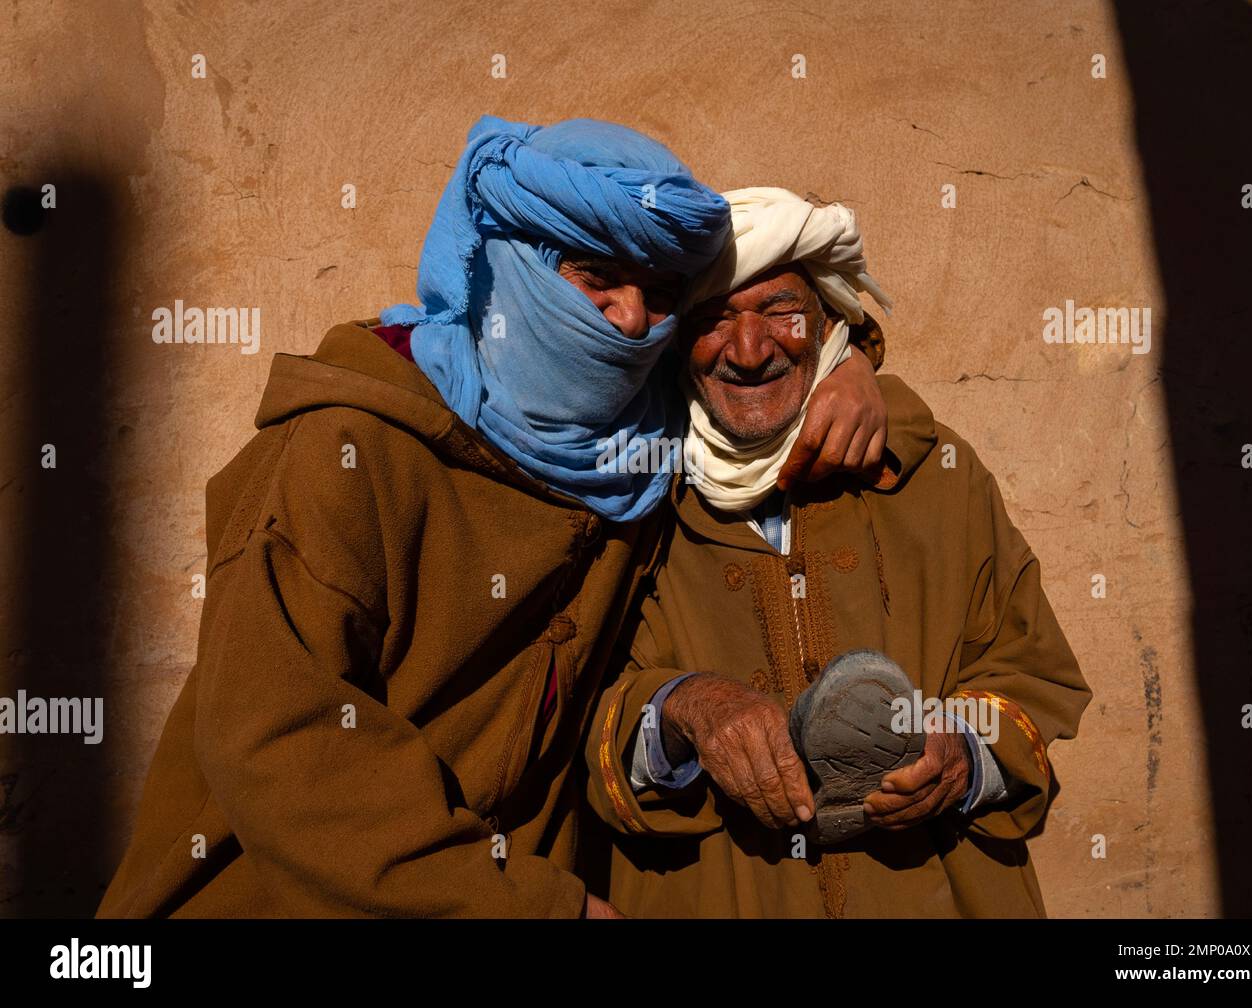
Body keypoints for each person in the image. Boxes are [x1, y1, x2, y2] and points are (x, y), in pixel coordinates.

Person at [97, 122, 887, 918]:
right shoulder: (348, 449)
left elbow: (766, 396)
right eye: (596, 276)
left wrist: (853, 364)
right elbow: (279, 737)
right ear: (514, 265)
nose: (626, 320)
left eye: (658, 297)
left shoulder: (636, 455)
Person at [584, 188, 1091, 917]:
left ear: (829, 326)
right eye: (713, 320)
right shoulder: (631, 498)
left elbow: (1032, 674)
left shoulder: (933, 476)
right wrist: (684, 710)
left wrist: (961, 752)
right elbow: (574, 712)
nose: (750, 350)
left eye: (782, 311)